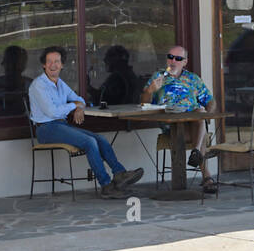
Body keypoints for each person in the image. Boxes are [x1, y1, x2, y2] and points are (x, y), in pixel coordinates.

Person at [28, 46, 143, 197]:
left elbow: (80, 100)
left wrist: (79, 107)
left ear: (62, 65)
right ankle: (106, 186)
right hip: (46, 129)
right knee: (89, 142)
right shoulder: (39, 85)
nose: (53, 65)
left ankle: (119, 174)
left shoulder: (60, 83)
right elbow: (52, 112)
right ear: (44, 65)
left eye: (57, 61)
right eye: (49, 61)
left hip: (60, 125)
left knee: (100, 139)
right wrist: (73, 106)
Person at [142, 45, 217, 192]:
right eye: (170, 57)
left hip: (194, 123)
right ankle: (205, 173)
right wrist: (150, 91)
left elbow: (210, 101)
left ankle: (197, 155)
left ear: (185, 62)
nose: (173, 61)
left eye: (178, 58)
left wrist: (207, 116)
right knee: (200, 130)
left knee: (199, 112)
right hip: (172, 127)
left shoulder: (193, 79)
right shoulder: (158, 77)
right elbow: (143, 103)